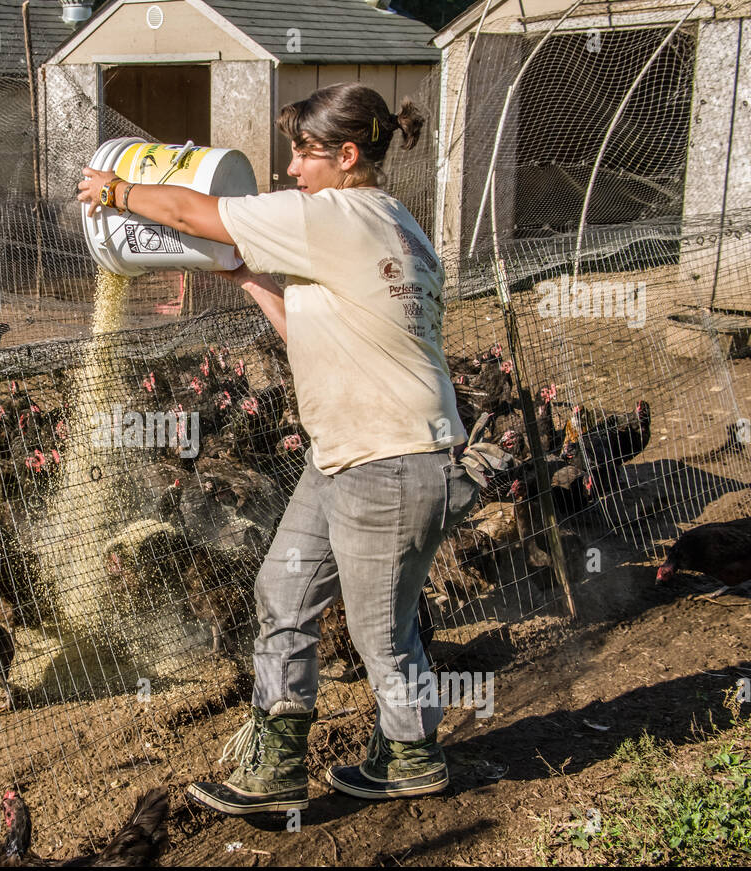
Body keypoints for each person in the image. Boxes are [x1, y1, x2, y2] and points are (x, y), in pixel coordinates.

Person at [77, 84, 485, 814]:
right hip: (343, 458)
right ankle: (275, 765)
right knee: (284, 592)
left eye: (303, 152)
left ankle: (412, 752)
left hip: (389, 461)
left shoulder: (332, 214)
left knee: (378, 632)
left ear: (347, 155)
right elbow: (312, 330)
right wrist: (245, 278)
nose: (292, 168)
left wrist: (117, 189)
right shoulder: (396, 225)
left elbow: (191, 209)